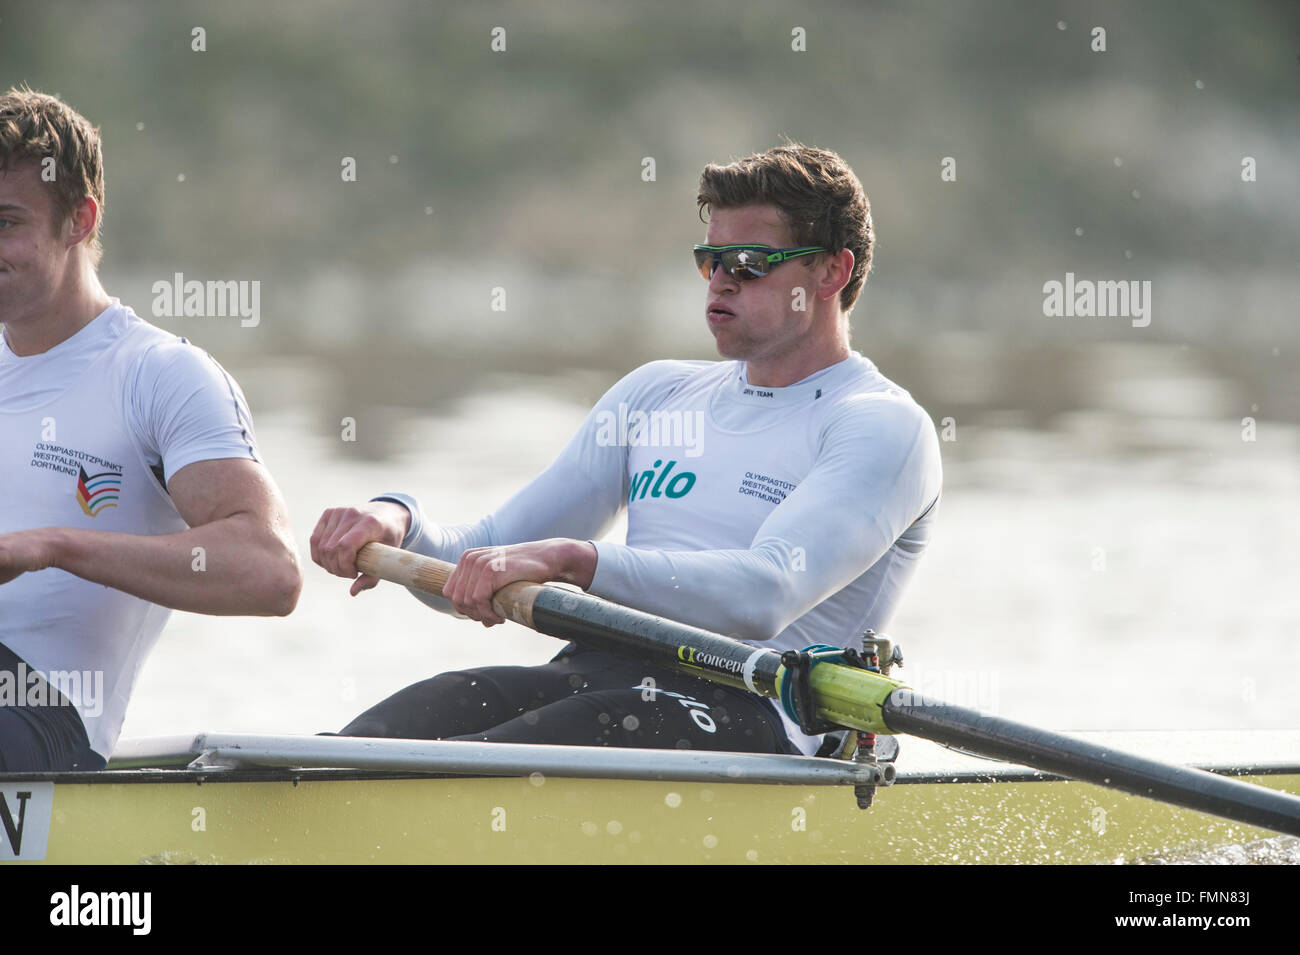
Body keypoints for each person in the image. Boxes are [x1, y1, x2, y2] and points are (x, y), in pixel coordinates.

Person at [312, 143, 941, 756]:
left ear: (832, 271)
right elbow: (481, 562)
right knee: (413, 717)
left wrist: (574, 561)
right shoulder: (656, 395)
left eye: (749, 261)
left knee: (495, 756)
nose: (721, 281)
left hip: (755, 708)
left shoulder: (880, 426)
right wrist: (399, 522)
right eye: (710, 260)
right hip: (602, 670)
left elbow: (762, 597)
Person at [0, 87, 302, 772]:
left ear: (79, 220)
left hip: (45, 724)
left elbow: (270, 570)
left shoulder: (160, 375)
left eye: (6, 222)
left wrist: (51, 545)